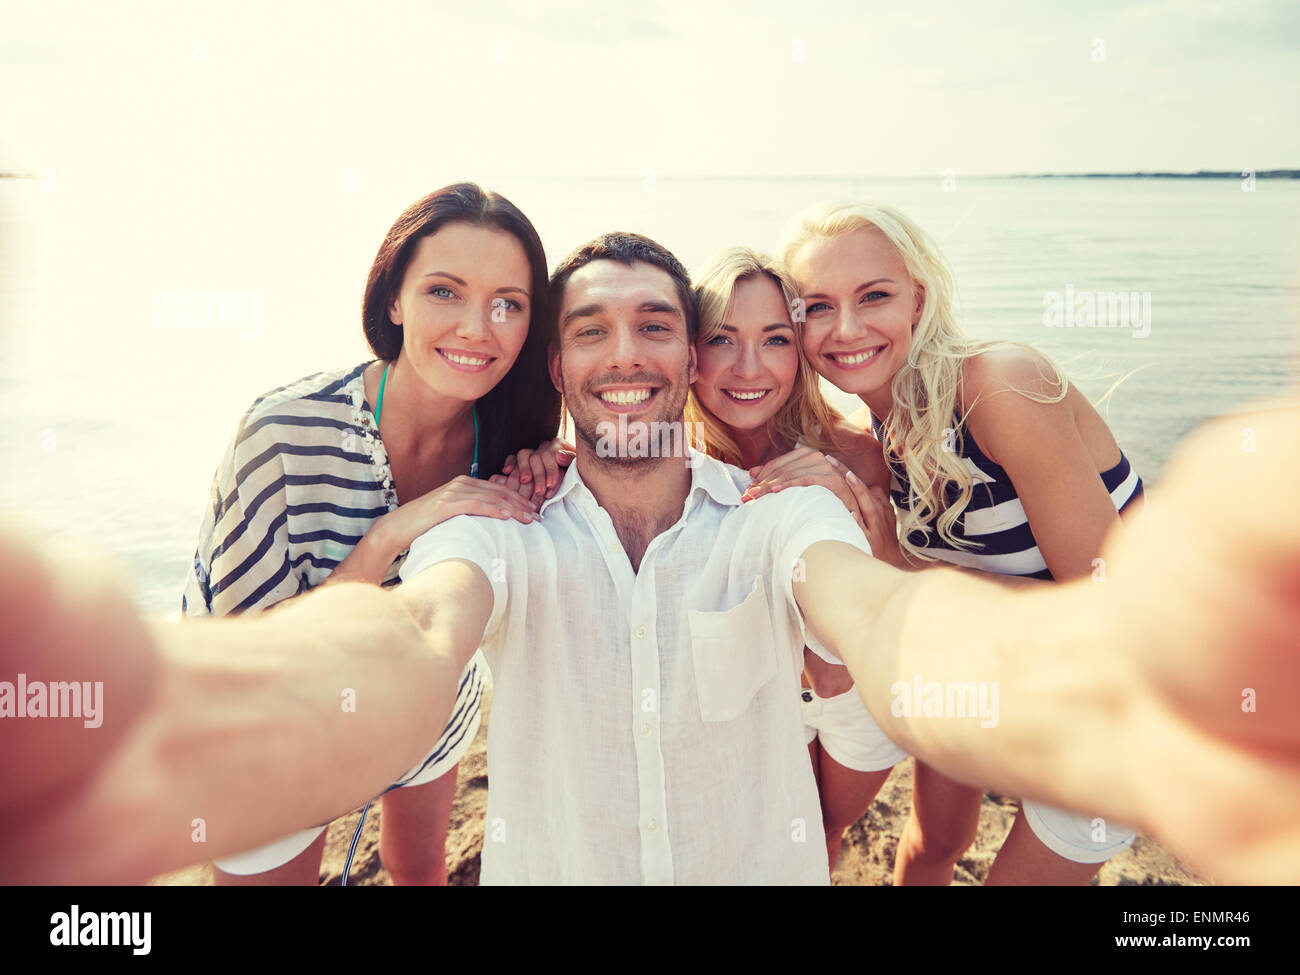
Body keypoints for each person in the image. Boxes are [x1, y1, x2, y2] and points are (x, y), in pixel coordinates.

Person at [2, 239, 1296, 887]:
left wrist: (1085, 677)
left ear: (691, 360)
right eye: (592, 330)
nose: (627, 353)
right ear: (556, 370)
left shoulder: (784, 513)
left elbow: (887, 620)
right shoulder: (496, 523)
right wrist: (186, 717)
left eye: (656, 327)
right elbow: (413, 643)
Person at [181, 182, 560, 884]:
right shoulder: (283, 433)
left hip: (427, 704)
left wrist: (546, 470)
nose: (478, 327)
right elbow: (236, 658)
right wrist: (388, 537)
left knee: (418, 871)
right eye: (445, 291)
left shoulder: (512, 437)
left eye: (508, 303)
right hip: (270, 725)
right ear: (393, 298)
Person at [774, 201, 1147, 884]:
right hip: (993, 680)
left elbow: (1113, 616)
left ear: (917, 299)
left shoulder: (998, 385)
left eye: (873, 296)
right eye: (815, 307)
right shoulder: (877, 433)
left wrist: (899, 565)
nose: (846, 328)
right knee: (930, 845)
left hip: (1111, 712)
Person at [685, 245, 906, 870]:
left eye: (776, 340)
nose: (749, 367)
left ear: (801, 353)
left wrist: (838, 502)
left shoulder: (858, 454)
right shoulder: (669, 463)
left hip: (856, 698)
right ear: (690, 352)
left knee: (821, 834)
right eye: (722, 339)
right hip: (758, 694)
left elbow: (894, 592)